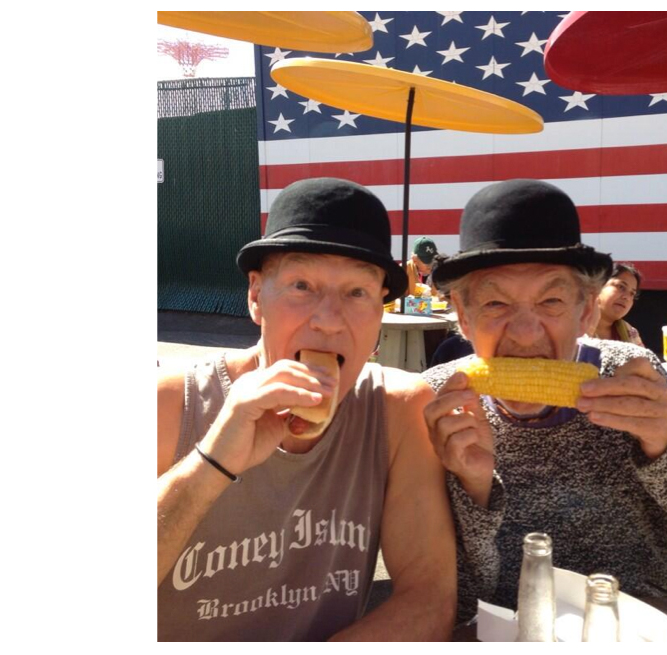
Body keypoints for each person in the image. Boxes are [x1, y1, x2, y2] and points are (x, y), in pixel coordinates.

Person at [420, 179, 667, 621]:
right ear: (463, 316)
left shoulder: (633, 376)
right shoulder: (433, 402)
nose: (525, 334)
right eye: (496, 303)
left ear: (587, 312)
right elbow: (446, 604)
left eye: (551, 301)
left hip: (647, 625)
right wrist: (474, 491)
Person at [157, 178, 456, 641]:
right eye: (302, 286)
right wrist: (211, 463)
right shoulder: (169, 405)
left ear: (379, 314)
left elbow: (429, 598)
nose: (329, 320)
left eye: (357, 292)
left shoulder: (399, 411)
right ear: (256, 296)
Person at [590, 262, 645, 347]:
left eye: (632, 293)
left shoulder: (630, 333)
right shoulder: (575, 327)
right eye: (621, 287)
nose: (627, 297)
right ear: (598, 286)